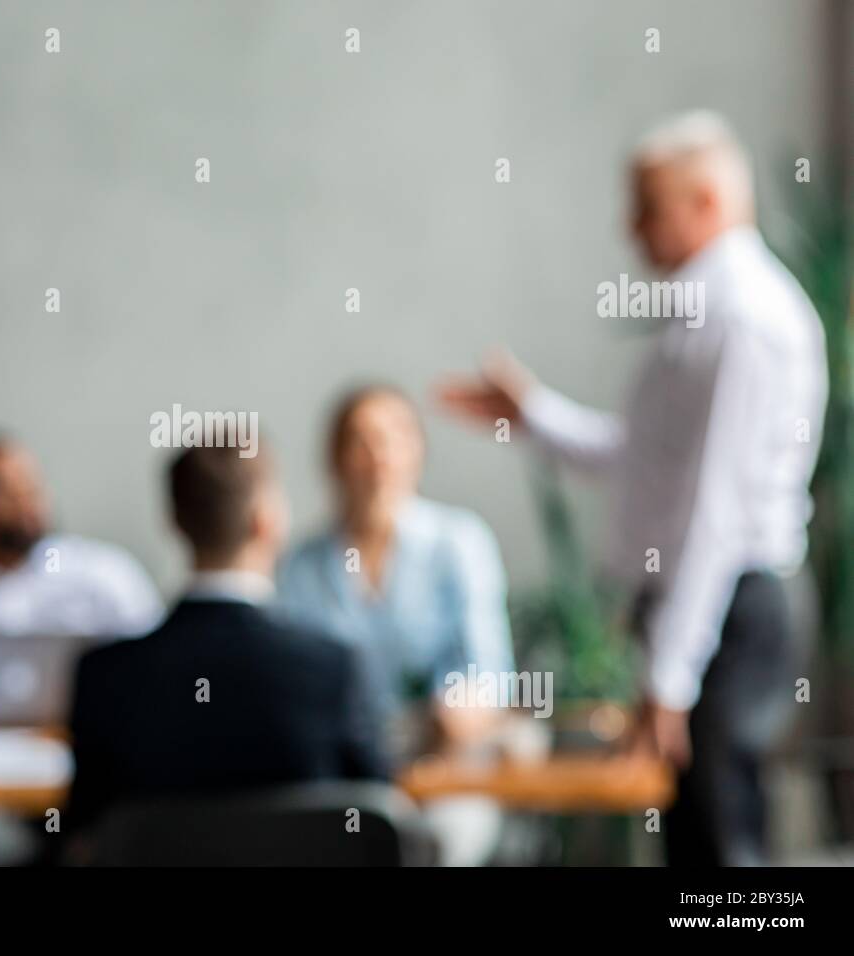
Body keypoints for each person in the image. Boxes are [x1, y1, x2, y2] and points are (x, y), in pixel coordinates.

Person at [437, 111, 827, 866]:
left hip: (733, 606)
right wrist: (533, 416)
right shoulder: (705, 311)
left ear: (708, 201)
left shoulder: (742, 318)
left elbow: (718, 511)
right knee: (694, 846)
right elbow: (649, 460)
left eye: (649, 207)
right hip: (712, 606)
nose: (631, 229)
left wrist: (672, 676)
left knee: (721, 852)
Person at [66, 443, 390, 837]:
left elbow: (83, 832)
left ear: (174, 522)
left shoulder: (104, 676)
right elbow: (376, 818)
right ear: (266, 521)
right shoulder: (332, 668)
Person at [278, 385, 515, 740]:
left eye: (394, 438)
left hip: (443, 766)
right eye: (362, 442)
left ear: (418, 450)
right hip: (338, 770)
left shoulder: (458, 543)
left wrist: (457, 711)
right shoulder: (301, 566)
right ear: (335, 459)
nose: (379, 458)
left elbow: (489, 671)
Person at [0, 434, 162, 730]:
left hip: (97, 755)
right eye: (4, 489)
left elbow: (155, 685)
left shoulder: (105, 576)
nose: (26, 499)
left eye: (31, 484)